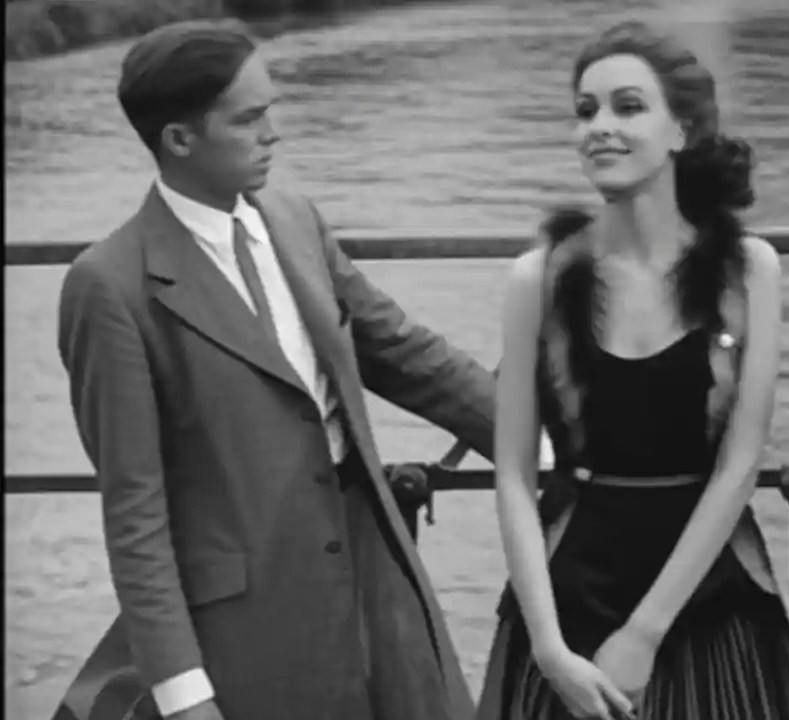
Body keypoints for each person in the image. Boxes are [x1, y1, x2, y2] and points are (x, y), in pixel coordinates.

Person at [53, 19, 493, 720]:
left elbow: (402, 351)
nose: (273, 134)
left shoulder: (294, 218)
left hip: (375, 576)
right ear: (179, 139)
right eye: (251, 118)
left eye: (272, 111)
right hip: (249, 626)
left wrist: (547, 440)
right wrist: (182, 691)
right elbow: (135, 512)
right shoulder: (108, 285)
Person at [474, 20, 789, 720]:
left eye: (628, 107)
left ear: (682, 129)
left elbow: (740, 465)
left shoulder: (748, 269)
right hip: (568, 597)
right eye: (586, 110)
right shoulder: (536, 277)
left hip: (709, 596)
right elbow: (512, 473)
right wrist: (545, 646)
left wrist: (645, 632)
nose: (600, 127)